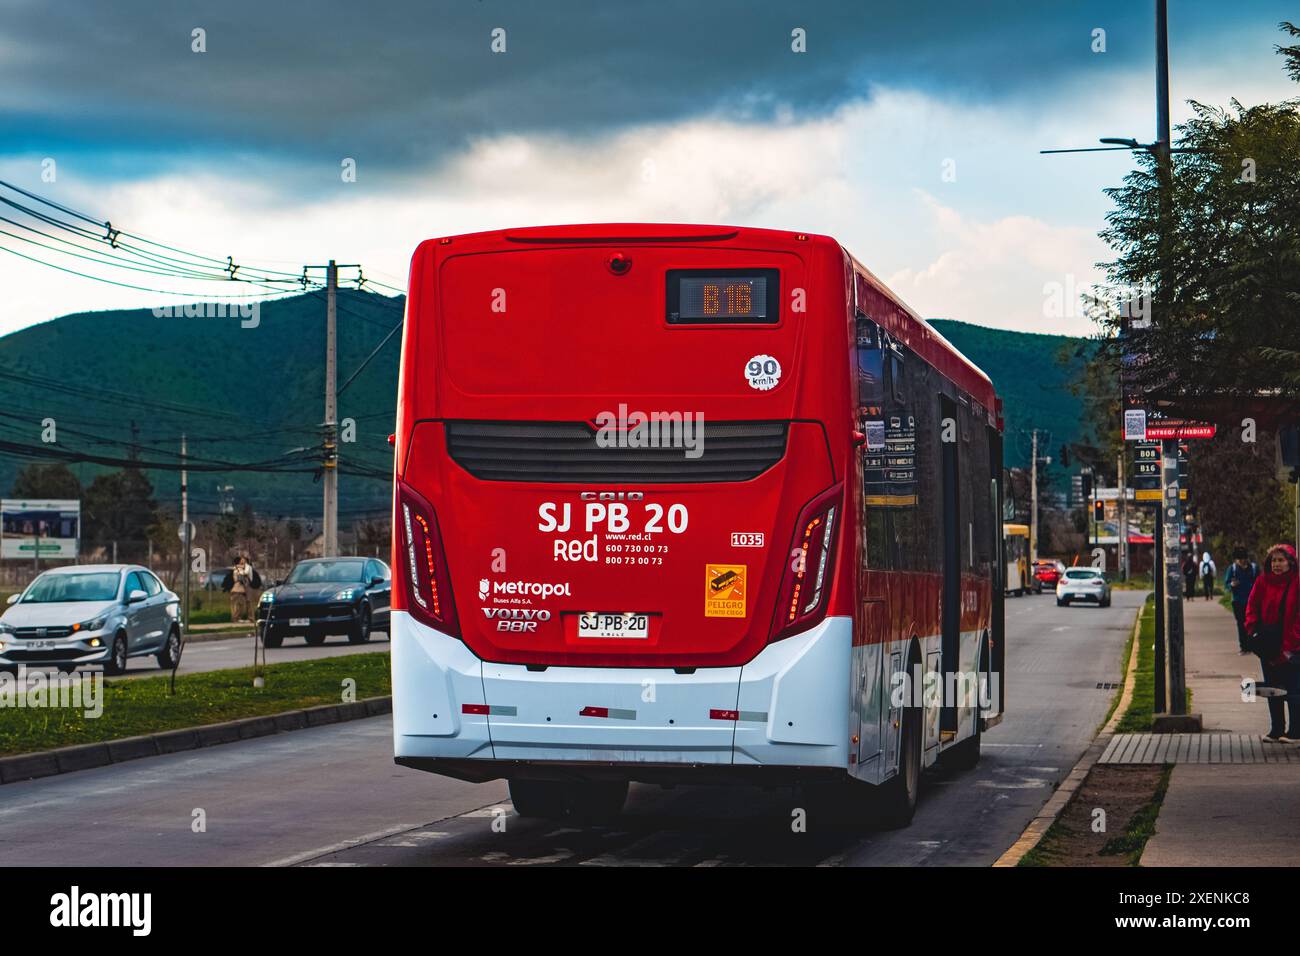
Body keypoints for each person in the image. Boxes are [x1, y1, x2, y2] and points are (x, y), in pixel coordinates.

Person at [1244, 544, 1300, 743]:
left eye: (1281, 560)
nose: (1277, 564)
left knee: (1293, 690)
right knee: (1272, 688)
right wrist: (1252, 631)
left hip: (1292, 647)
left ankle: (1295, 731)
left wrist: (1291, 643)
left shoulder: (1296, 583)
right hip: (1268, 645)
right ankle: (1277, 729)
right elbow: (1251, 606)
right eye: (1274, 560)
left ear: (1290, 562)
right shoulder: (1262, 582)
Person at [1224, 548, 1259, 653]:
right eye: (1239, 559)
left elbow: (1260, 581)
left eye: (1243, 559)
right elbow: (1226, 583)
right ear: (1236, 560)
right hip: (1238, 601)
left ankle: (1251, 645)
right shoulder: (1232, 569)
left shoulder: (1253, 568)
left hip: (1252, 601)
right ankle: (1243, 646)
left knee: (1252, 624)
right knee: (1241, 624)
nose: (1242, 561)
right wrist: (1231, 585)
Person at [230, 555, 256, 623]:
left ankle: (251, 618)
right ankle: (237, 617)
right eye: (241, 560)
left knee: (249, 602)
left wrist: (239, 569)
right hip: (242, 586)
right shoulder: (240, 567)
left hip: (247, 586)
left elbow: (246, 572)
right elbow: (236, 571)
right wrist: (238, 567)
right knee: (240, 602)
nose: (241, 561)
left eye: (243, 560)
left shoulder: (248, 567)